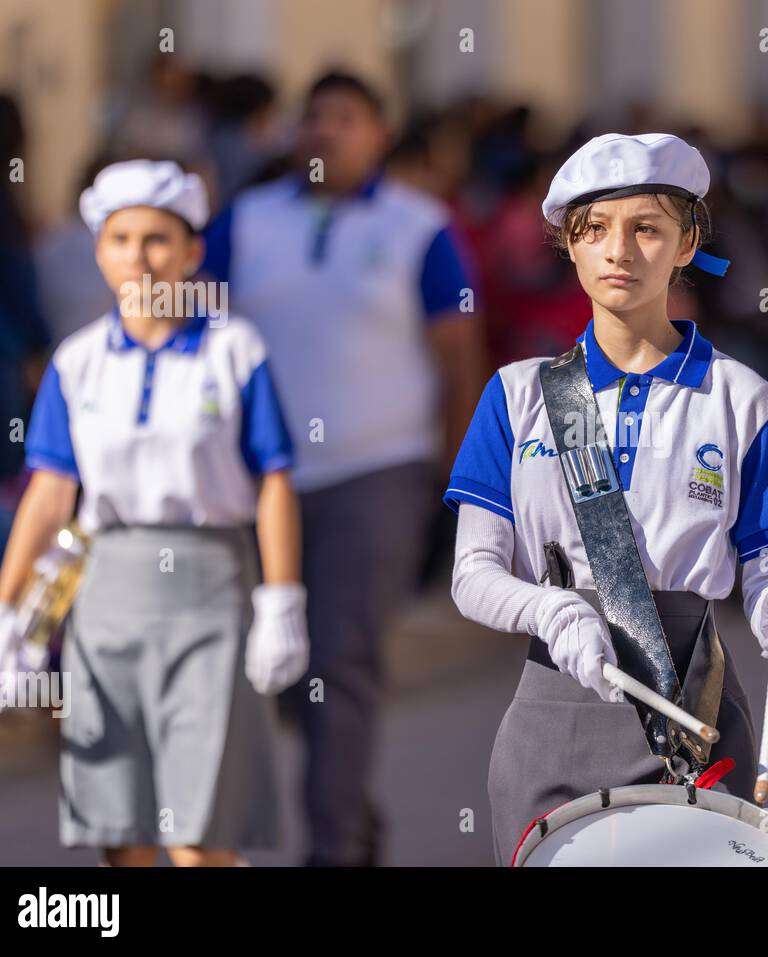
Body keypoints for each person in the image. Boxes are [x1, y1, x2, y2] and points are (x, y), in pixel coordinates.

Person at [444, 132, 768, 865]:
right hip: (550, 713)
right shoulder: (517, 394)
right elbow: (472, 573)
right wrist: (550, 608)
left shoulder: (741, 398)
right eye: (596, 231)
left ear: (686, 243)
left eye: (647, 228)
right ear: (570, 246)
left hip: (694, 713)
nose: (620, 250)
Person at [0, 160, 307, 866]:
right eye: (120, 238)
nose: (139, 256)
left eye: (158, 238)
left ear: (192, 252)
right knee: (119, 826)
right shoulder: (77, 362)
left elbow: (273, 478)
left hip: (210, 591)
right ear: (99, 252)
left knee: (196, 829)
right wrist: (7, 612)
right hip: (103, 595)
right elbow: (48, 493)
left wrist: (281, 596)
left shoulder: (233, 350)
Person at [202, 71, 484, 866]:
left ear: (379, 135)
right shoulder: (245, 222)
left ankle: (330, 847)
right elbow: (194, 324)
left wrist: (454, 475)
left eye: (345, 118)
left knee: (341, 658)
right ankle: (353, 821)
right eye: (313, 116)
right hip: (261, 482)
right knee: (281, 672)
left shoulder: (420, 228)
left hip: (378, 471)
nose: (324, 132)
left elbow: (458, 353)